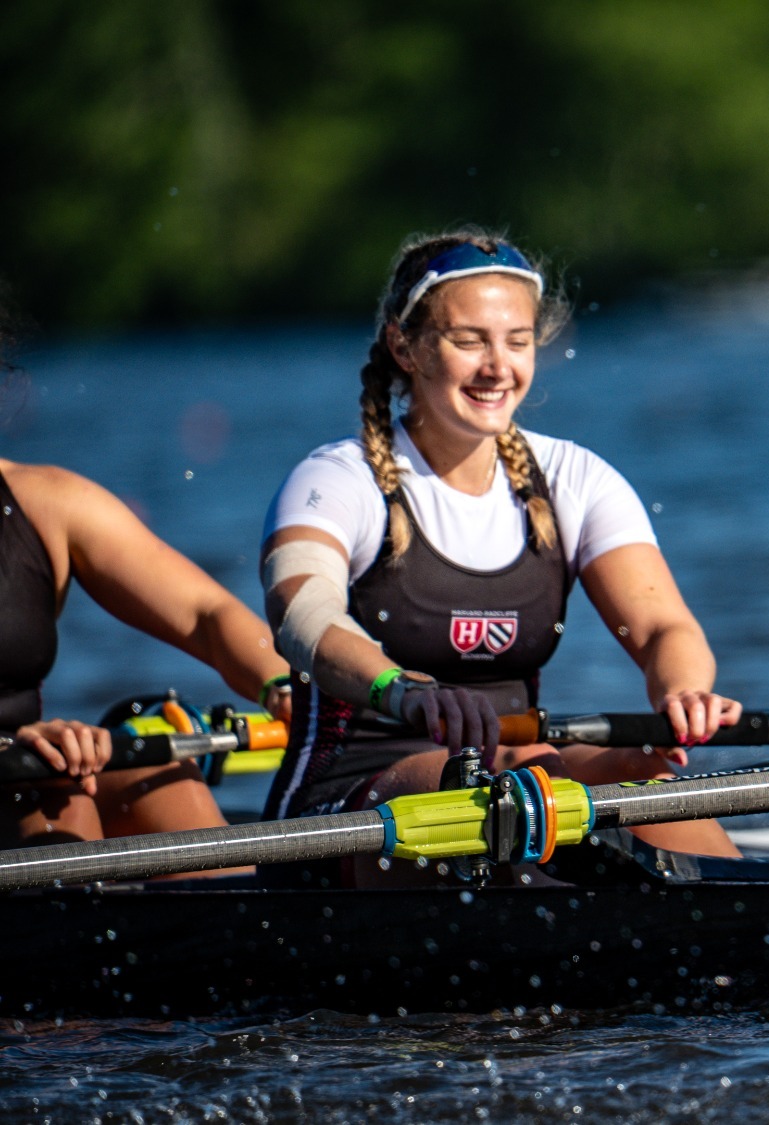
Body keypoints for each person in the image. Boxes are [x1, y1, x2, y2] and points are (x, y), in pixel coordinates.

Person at [259, 229, 740, 882]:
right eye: (469, 340)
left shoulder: (576, 478)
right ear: (406, 346)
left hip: (526, 776)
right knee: (514, 790)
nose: (498, 367)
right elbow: (301, 613)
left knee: (674, 814)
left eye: (517, 341)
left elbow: (662, 627)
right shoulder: (340, 480)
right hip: (349, 804)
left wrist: (684, 690)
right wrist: (400, 690)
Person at [0, 328, 291, 850]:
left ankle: (243, 921)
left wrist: (290, 691)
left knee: (160, 781)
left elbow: (206, 614)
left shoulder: (46, 503)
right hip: (25, 783)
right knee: (52, 794)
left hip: (23, 774)